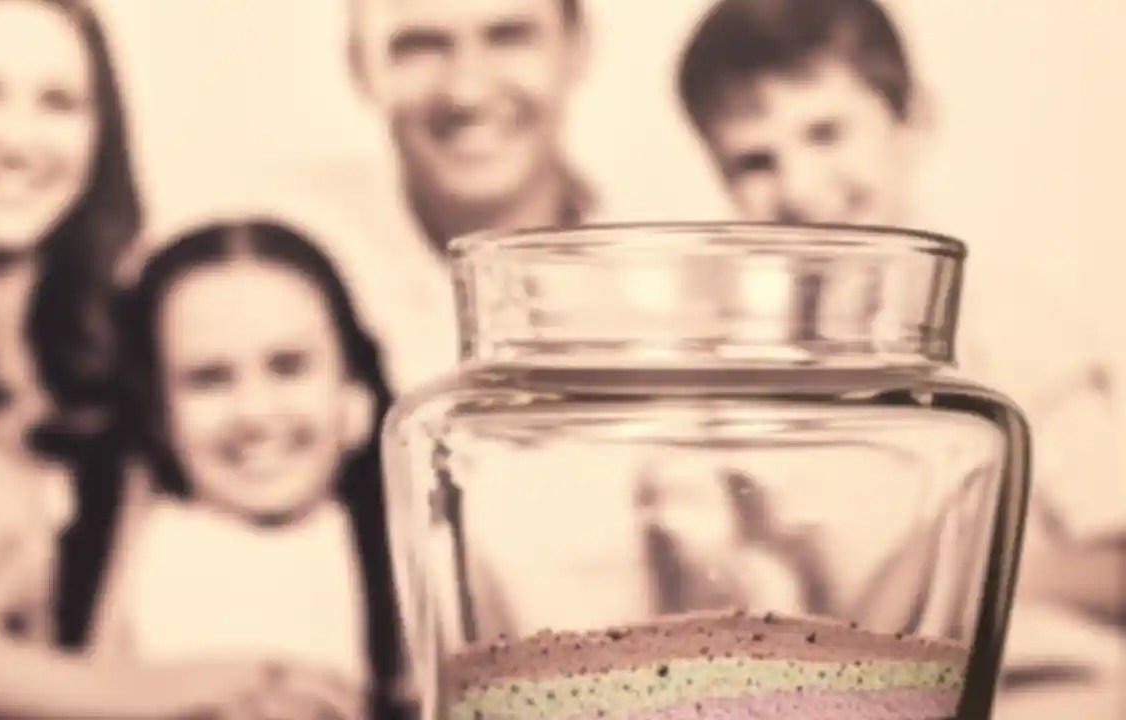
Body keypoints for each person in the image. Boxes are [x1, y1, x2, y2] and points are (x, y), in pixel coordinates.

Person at [674, 0, 1123, 712]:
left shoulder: (1007, 323)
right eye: (753, 161)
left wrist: (941, 579)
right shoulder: (741, 389)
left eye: (826, 133)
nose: (798, 187)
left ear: (915, 120)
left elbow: (1116, 561)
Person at [0, 0, 278, 715]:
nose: (17, 140)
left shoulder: (104, 352)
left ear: (99, 135)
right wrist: (129, 695)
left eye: (58, 103)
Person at [93, 220, 408, 720]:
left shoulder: (415, 569)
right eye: (208, 379)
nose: (255, 414)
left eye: (288, 367)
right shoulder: (113, 566)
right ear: (156, 412)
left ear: (355, 390)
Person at [283, 0, 596, 395]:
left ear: (578, 47)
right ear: (359, 66)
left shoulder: (674, 265)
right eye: (421, 46)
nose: (467, 92)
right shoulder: (283, 272)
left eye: (507, 37)